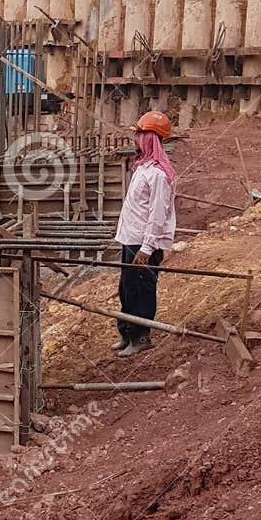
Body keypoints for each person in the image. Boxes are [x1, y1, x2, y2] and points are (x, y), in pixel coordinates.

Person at [113, 109, 176, 358]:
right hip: (131, 238)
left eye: (139, 135)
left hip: (143, 243)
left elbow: (158, 215)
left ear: (150, 138)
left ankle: (141, 337)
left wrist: (147, 248)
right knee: (127, 288)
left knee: (142, 290)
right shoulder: (143, 168)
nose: (136, 139)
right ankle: (126, 333)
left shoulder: (158, 175)